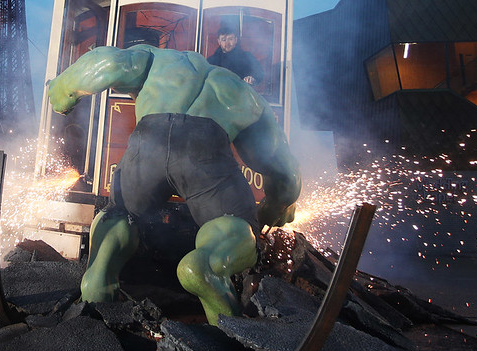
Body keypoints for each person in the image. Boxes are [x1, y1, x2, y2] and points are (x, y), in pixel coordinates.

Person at [47, 44, 301, 324]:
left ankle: (98, 278)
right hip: (206, 151)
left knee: (120, 212)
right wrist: (279, 205)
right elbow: (281, 165)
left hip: (149, 143)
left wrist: (63, 88)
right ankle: (207, 265)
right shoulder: (247, 96)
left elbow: (109, 63)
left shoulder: (159, 59)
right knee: (233, 222)